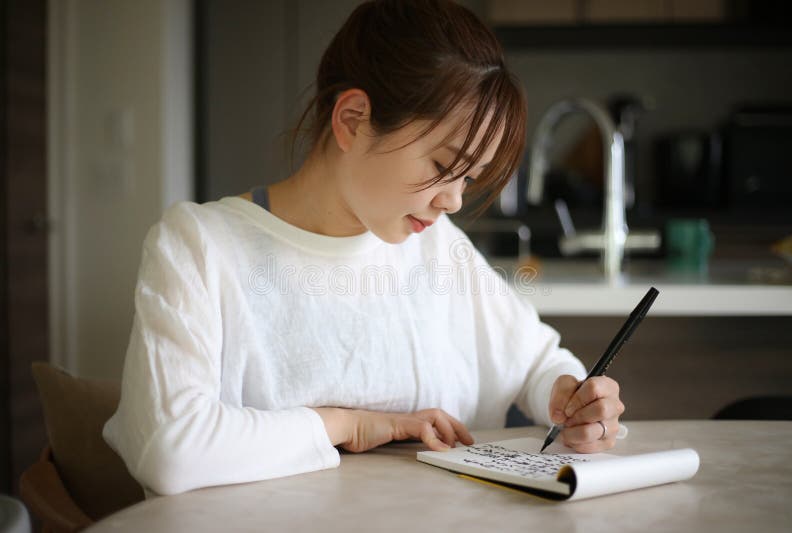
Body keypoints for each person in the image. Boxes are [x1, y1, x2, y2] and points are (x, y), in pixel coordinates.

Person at [103, 0, 625, 497]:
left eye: (469, 178)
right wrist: (347, 425)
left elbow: (535, 362)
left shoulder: (438, 247)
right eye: (444, 166)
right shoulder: (200, 246)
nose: (454, 200)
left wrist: (573, 397)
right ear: (352, 119)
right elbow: (171, 449)